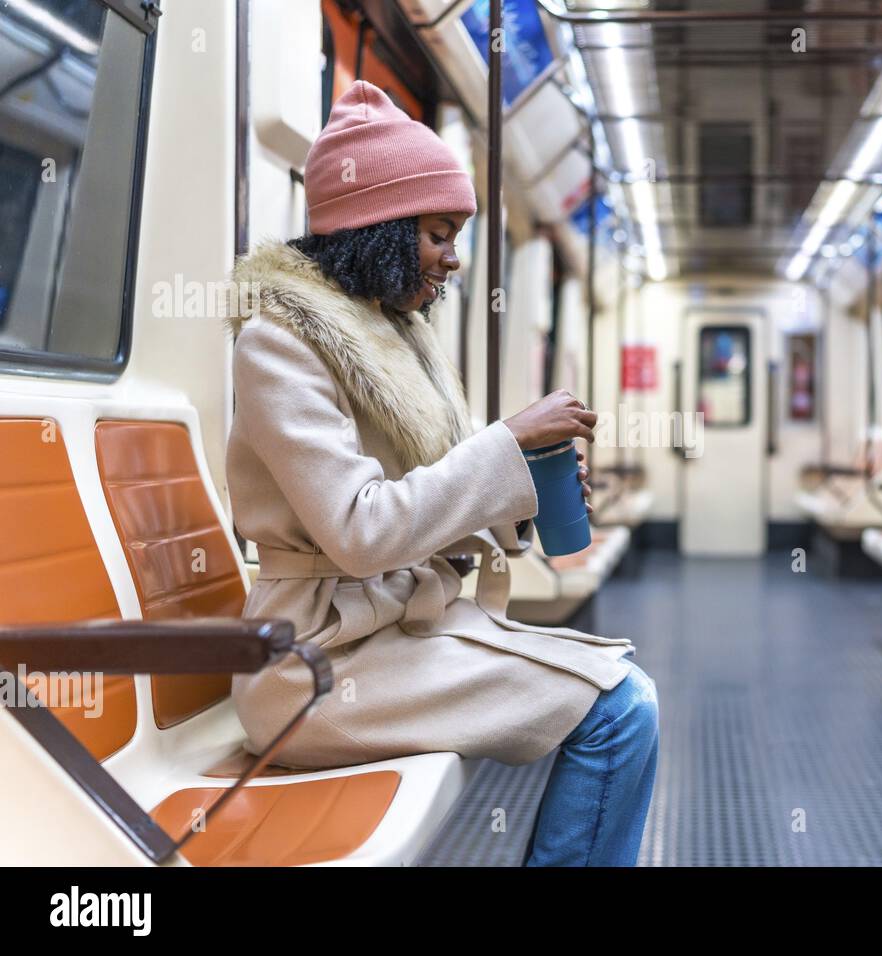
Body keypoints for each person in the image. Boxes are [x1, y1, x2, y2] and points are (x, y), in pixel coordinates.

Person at [224, 79, 658, 866]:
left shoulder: (401, 336)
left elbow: (437, 490)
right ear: (377, 226)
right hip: (316, 661)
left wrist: (523, 493)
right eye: (437, 233)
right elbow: (360, 533)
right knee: (622, 707)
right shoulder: (279, 343)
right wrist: (504, 447)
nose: (454, 259)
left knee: (621, 695)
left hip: (393, 626)